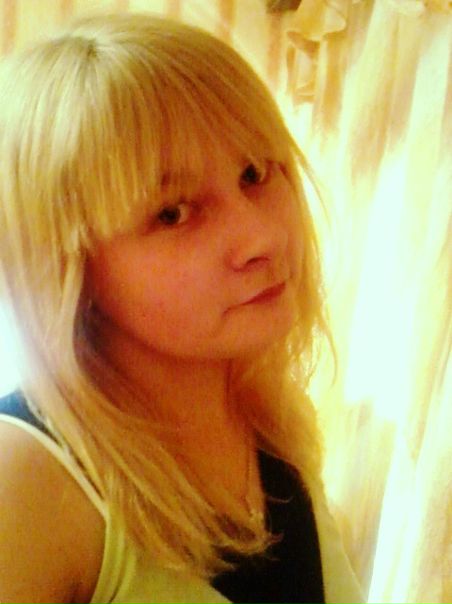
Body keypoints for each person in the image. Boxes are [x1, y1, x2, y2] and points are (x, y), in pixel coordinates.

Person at [0, 12, 363, 604]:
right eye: (172, 213)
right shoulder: (27, 479)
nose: (261, 238)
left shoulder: (270, 421)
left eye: (254, 173)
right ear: (64, 266)